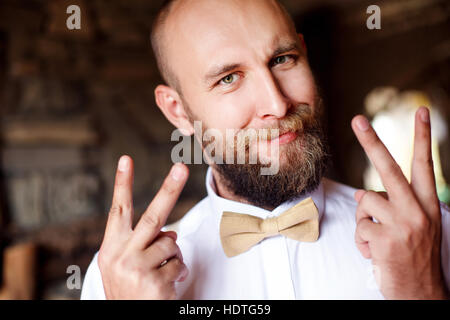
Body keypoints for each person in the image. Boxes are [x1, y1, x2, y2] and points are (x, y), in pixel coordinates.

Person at [81, 0, 450, 299]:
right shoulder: (116, 281)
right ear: (177, 110)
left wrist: (423, 291)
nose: (277, 103)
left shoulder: (433, 237)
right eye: (229, 78)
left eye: (282, 59)